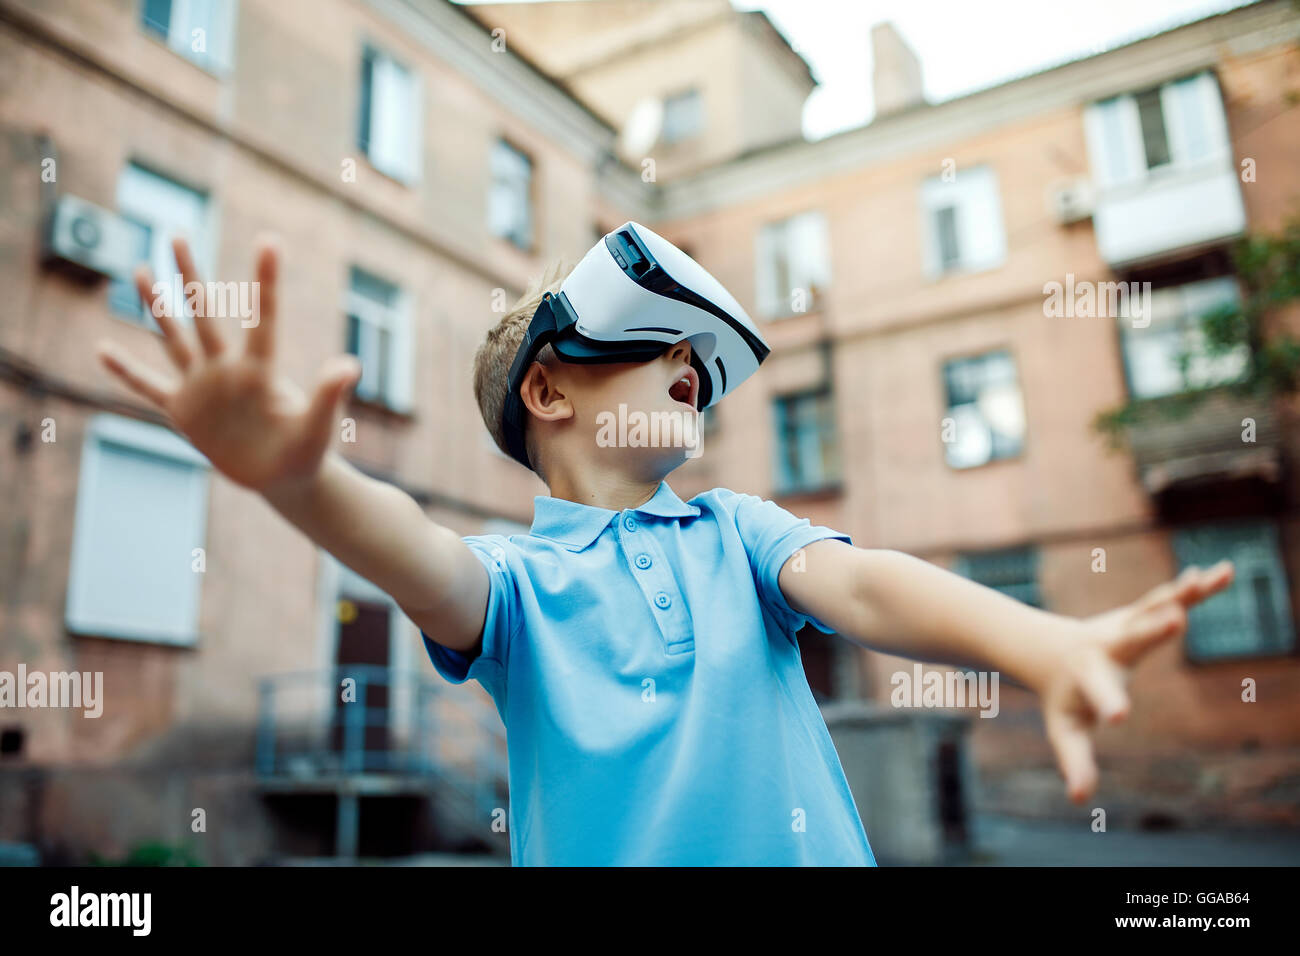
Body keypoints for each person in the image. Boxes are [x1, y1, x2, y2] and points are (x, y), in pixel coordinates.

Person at [97, 235, 1234, 866]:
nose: (690, 364)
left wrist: (1042, 640)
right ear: (548, 388)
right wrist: (297, 475)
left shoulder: (736, 530)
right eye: (657, 350)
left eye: (700, 359)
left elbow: (866, 581)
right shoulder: (517, 588)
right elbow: (414, 554)